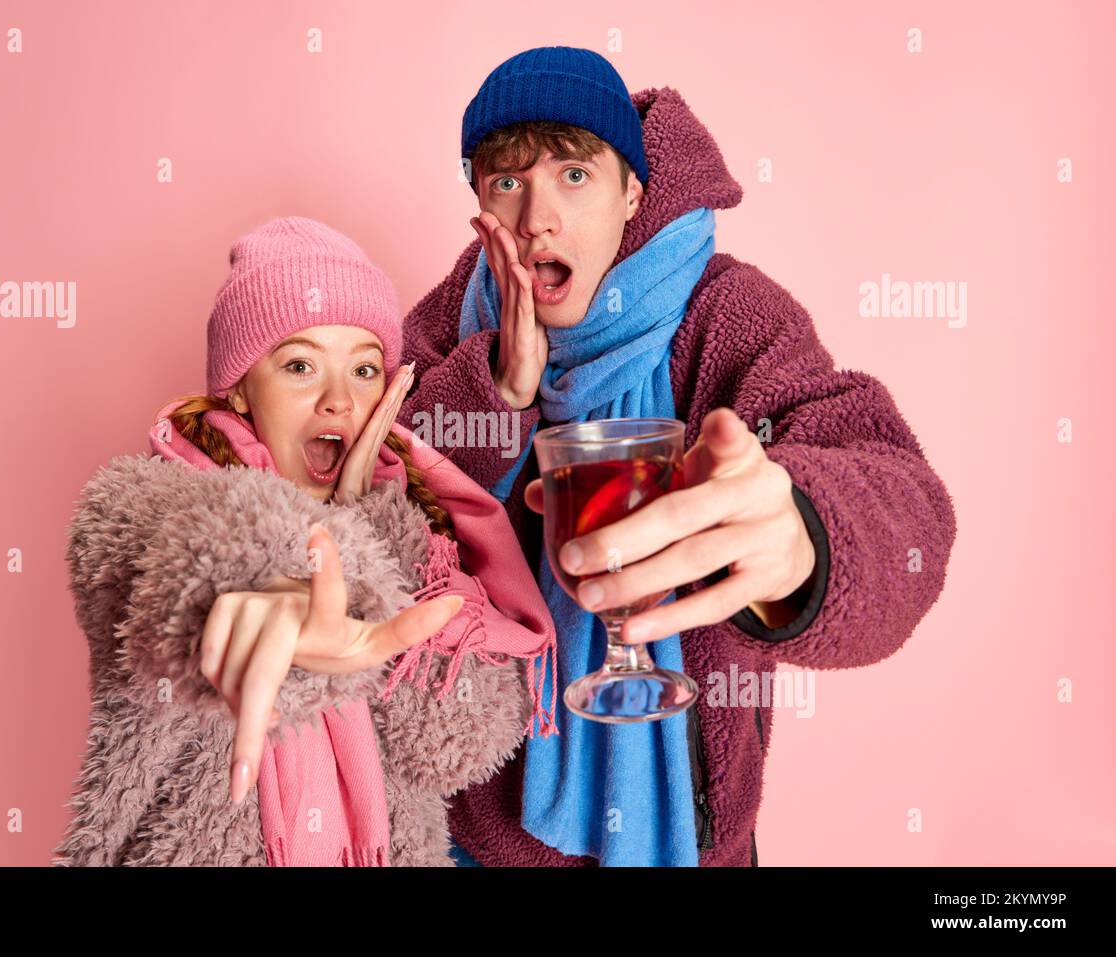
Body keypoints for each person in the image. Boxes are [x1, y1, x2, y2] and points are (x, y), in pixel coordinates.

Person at [398, 46, 958, 866]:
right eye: (507, 182)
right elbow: (383, 521)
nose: (536, 218)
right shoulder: (454, 322)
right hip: (475, 838)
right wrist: (496, 390)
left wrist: (801, 535)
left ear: (634, 189)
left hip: (692, 839)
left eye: (574, 176)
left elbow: (907, 505)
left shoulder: (726, 313)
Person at [52, 216, 558, 866]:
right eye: (299, 365)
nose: (339, 402)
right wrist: (276, 594)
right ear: (239, 389)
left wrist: (368, 524)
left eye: (365, 369)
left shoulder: (416, 533)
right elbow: (189, 563)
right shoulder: (145, 502)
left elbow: (455, 744)